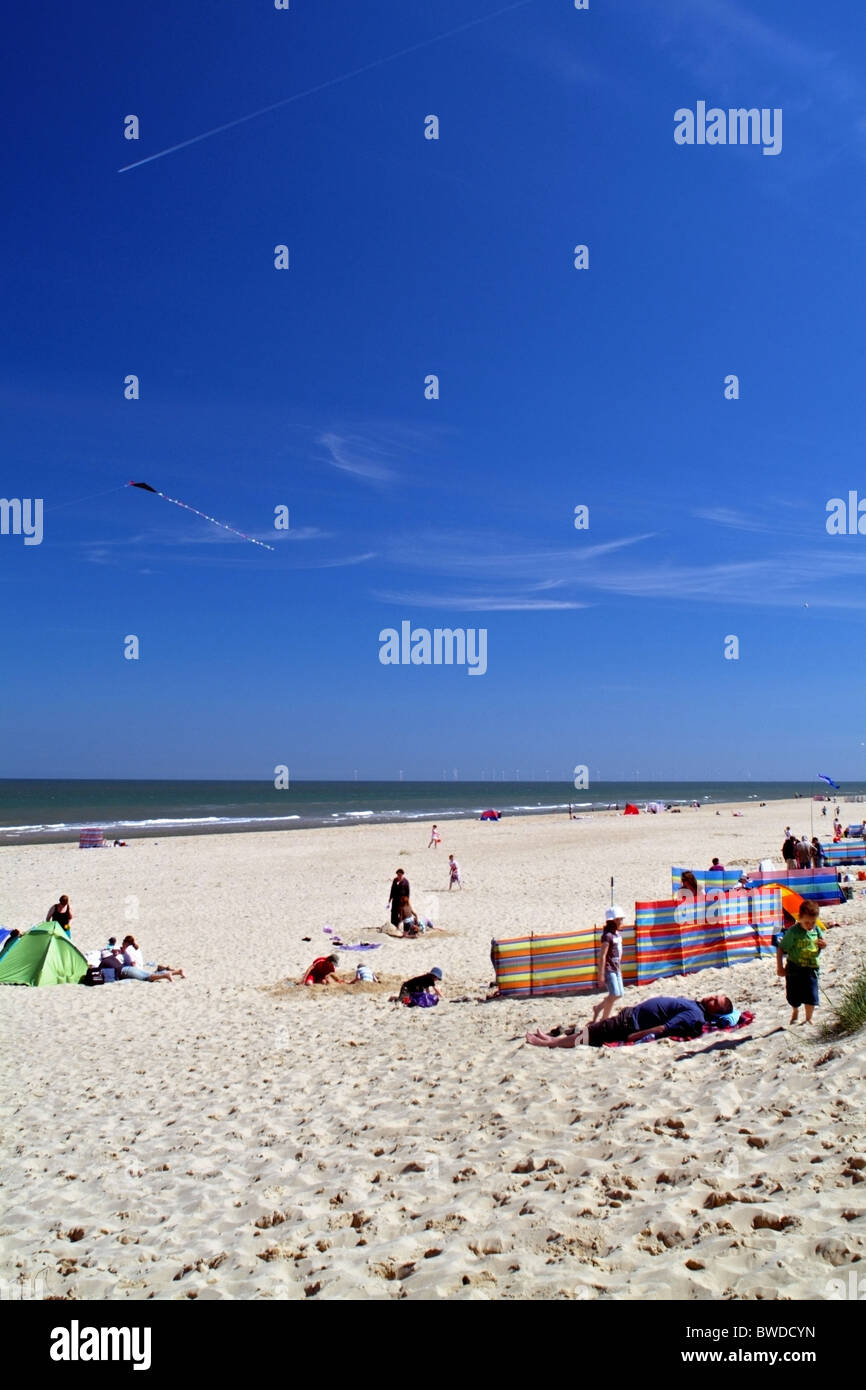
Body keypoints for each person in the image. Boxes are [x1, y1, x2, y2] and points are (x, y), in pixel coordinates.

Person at [525, 994, 736, 1048]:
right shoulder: (697, 1007)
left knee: (589, 1035)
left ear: (714, 1011)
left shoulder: (694, 1016)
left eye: (714, 1001)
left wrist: (636, 1036)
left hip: (630, 1025)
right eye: (713, 996)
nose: (710, 998)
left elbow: (665, 1027)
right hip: (631, 1017)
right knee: (592, 1031)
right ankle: (553, 1039)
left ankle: (548, 1043)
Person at [776, 900, 826, 1025]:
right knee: (793, 996)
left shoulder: (816, 930)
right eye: (806, 922)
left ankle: (808, 1018)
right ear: (799, 919)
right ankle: (795, 1011)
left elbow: (821, 942)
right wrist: (780, 967)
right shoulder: (793, 932)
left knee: (811, 995)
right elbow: (781, 948)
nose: (810, 925)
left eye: (813, 922)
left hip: (811, 968)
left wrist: (823, 945)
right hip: (794, 968)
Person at [593, 907, 624, 1022]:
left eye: (621, 919)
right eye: (618, 919)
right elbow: (602, 956)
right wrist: (601, 974)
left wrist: (619, 968)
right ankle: (604, 1019)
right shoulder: (607, 936)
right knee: (614, 993)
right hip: (608, 969)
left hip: (616, 968)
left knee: (619, 994)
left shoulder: (617, 935)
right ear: (612, 921)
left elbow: (619, 953)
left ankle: (598, 1008)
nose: (621, 922)